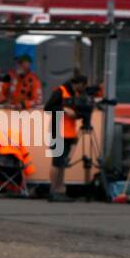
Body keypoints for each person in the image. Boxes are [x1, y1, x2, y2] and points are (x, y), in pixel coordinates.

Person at [43, 72, 88, 203]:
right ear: (78, 84)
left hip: (69, 132)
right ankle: (52, 191)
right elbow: (48, 108)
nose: (84, 88)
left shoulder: (77, 95)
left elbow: (78, 112)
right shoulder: (60, 91)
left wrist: (78, 114)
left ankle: (60, 190)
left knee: (62, 163)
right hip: (57, 131)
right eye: (83, 85)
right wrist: (64, 109)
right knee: (57, 162)